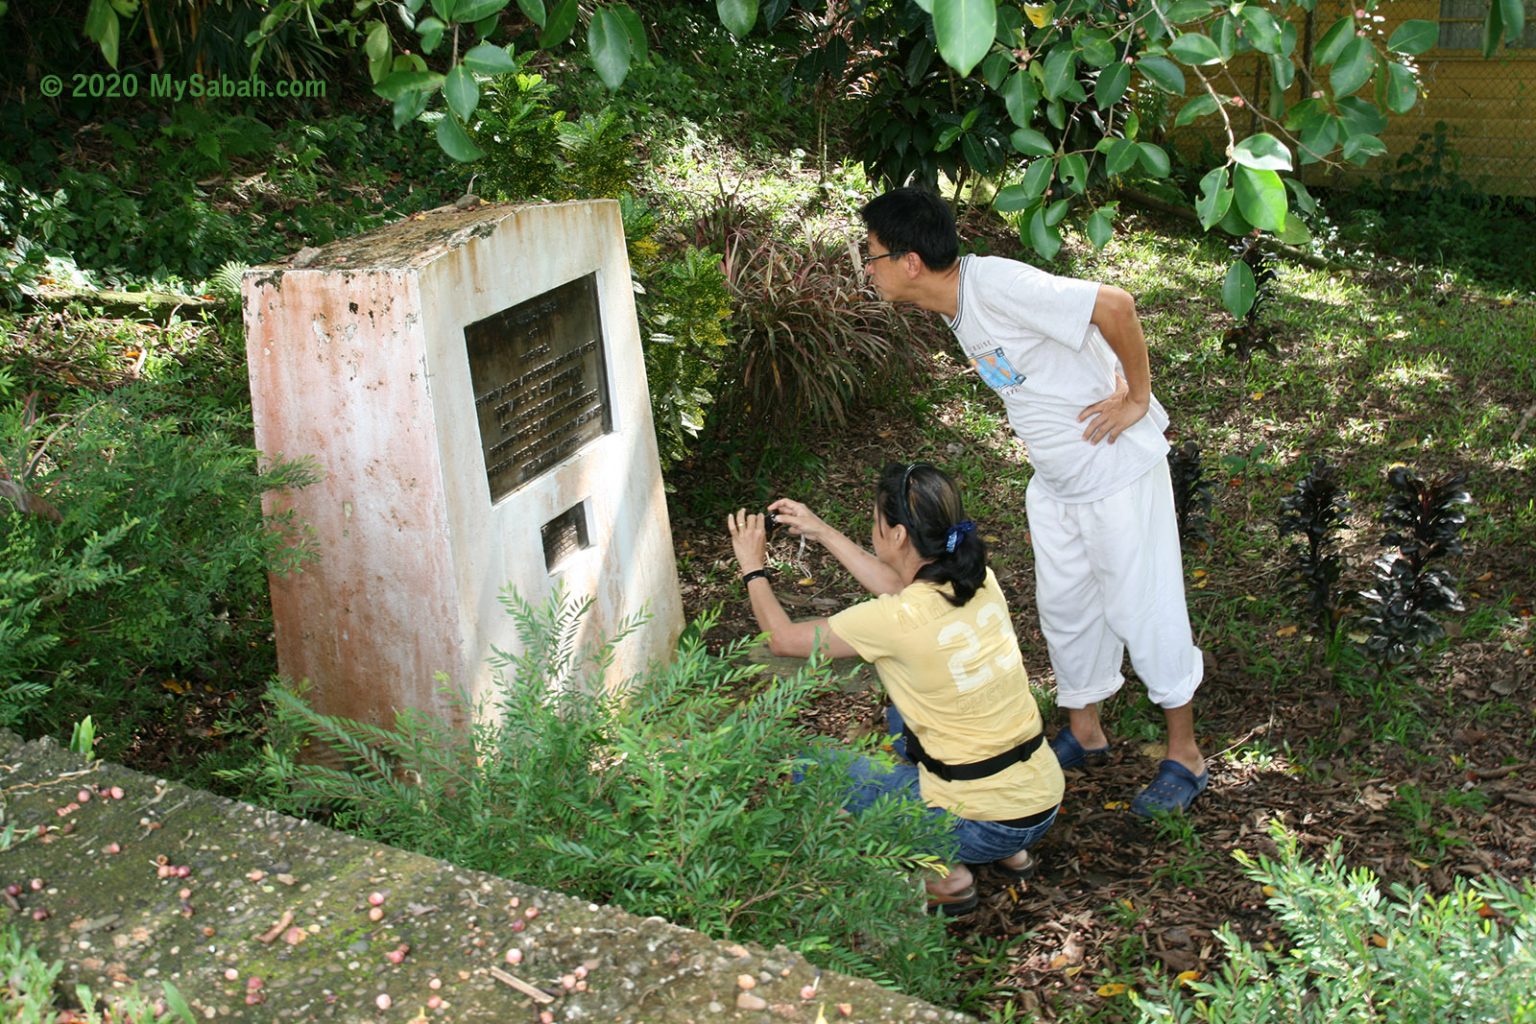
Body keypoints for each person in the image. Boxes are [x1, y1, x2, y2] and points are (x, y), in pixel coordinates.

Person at [856, 186, 1207, 817]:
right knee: (1067, 610)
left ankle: (1185, 754)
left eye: (873, 254)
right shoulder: (958, 305)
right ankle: (1085, 732)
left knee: (1144, 609)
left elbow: (1115, 305)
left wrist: (1136, 397)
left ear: (910, 262)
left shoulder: (995, 285)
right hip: (1058, 483)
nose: (868, 267)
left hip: (1115, 475)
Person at [726, 461, 1064, 916]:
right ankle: (1011, 855)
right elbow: (897, 586)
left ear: (899, 535)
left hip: (986, 822)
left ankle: (948, 876)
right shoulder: (977, 580)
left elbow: (782, 640)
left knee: (813, 767)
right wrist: (821, 530)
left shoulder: (894, 621)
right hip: (1042, 794)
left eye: (876, 520)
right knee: (900, 717)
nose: (873, 528)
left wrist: (752, 568)